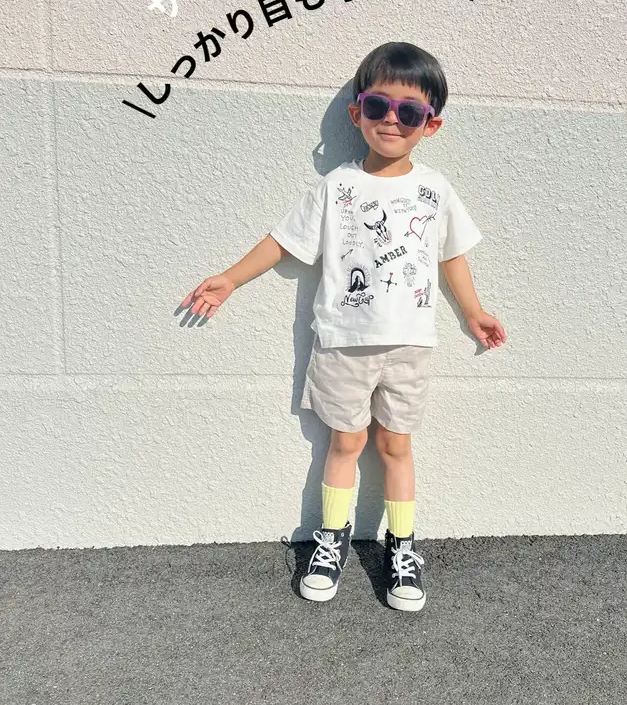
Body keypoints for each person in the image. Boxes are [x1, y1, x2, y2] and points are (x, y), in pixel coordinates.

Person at [181, 41, 507, 613]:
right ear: (357, 112)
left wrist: (473, 310)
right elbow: (284, 241)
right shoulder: (338, 186)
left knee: (396, 445)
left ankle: (401, 545)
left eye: (410, 111)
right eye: (378, 105)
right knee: (345, 442)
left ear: (431, 124)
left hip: (410, 345)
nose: (391, 120)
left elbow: (451, 254)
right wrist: (231, 278)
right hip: (343, 344)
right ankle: (332, 538)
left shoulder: (434, 190)